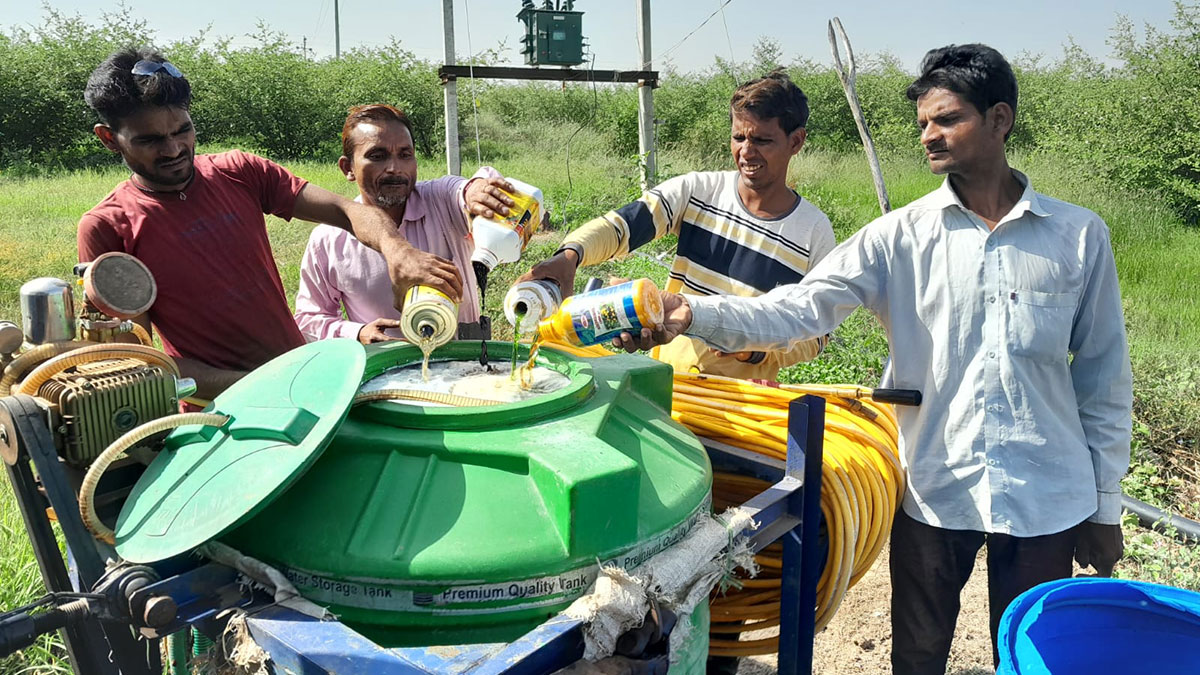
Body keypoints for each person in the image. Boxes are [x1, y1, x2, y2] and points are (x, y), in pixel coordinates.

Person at [613, 44, 1131, 674]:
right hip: (935, 485)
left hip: (1048, 493)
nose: (929, 135)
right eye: (923, 123)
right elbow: (799, 309)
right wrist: (690, 313)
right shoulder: (899, 237)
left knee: (1031, 658)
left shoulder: (1078, 236)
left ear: (1000, 119)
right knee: (917, 654)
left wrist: (1105, 506)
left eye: (947, 119)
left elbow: (1103, 378)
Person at [76, 48, 463, 400]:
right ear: (109, 138)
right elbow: (138, 361)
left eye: (182, 130)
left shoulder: (239, 172)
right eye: (150, 140)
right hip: (219, 407)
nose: (174, 149)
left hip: (301, 381)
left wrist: (398, 252)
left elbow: (348, 211)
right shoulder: (107, 227)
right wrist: (261, 384)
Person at [519, 70, 835, 381]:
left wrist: (752, 350)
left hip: (742, 399)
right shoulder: (698, 192)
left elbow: (817, 333)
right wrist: (571, 255)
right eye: (738, 137)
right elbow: (625, 226)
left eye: (762, 140)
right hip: (669, 382)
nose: (746, 152)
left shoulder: (813, 232)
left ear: (796, 141)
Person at [293, 104, 517, 344]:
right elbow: (309, 318)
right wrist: (357, 333)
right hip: (385, 364)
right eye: (377, 156)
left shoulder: (441, 202)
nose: (394, 168)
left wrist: (477, 189)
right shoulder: (329, 240)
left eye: (405, 155)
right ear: (348, 168)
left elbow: (463, 188)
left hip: (464, 358)